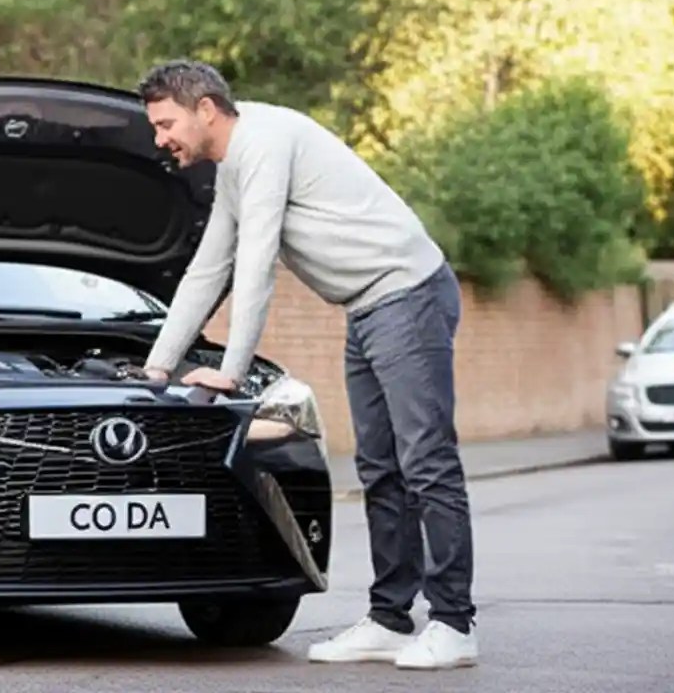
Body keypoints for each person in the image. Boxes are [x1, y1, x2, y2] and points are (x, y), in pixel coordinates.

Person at [135, 60, 477, 670]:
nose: (159, 138)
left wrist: (232, 370)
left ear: (205, 109)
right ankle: (391, 619)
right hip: (367, 307)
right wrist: (155, 368)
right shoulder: (234, 170)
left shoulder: (266, 142)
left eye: (165, 123)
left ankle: (453, 623)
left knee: (425, 460)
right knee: (379, 467)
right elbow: (208, 269)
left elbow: (258, 259)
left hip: (407, 293)